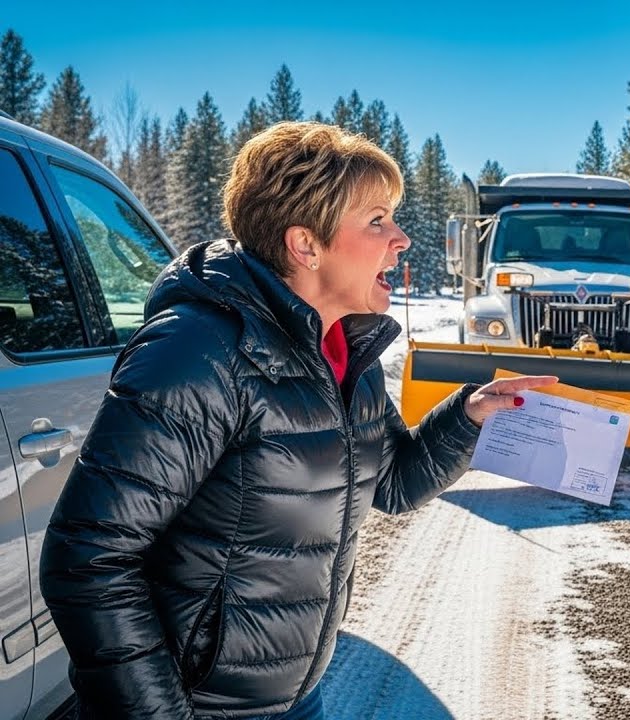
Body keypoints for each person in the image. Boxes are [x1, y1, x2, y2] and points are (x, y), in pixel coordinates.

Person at [39, 121, 555, 720]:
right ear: (305, 245)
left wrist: (467, 416)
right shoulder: (200, 351)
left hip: (294, 695)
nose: (402, 239)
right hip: (198, 706)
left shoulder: (341, 350)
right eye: (377, 221)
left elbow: (389, 484)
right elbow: (89, 558)